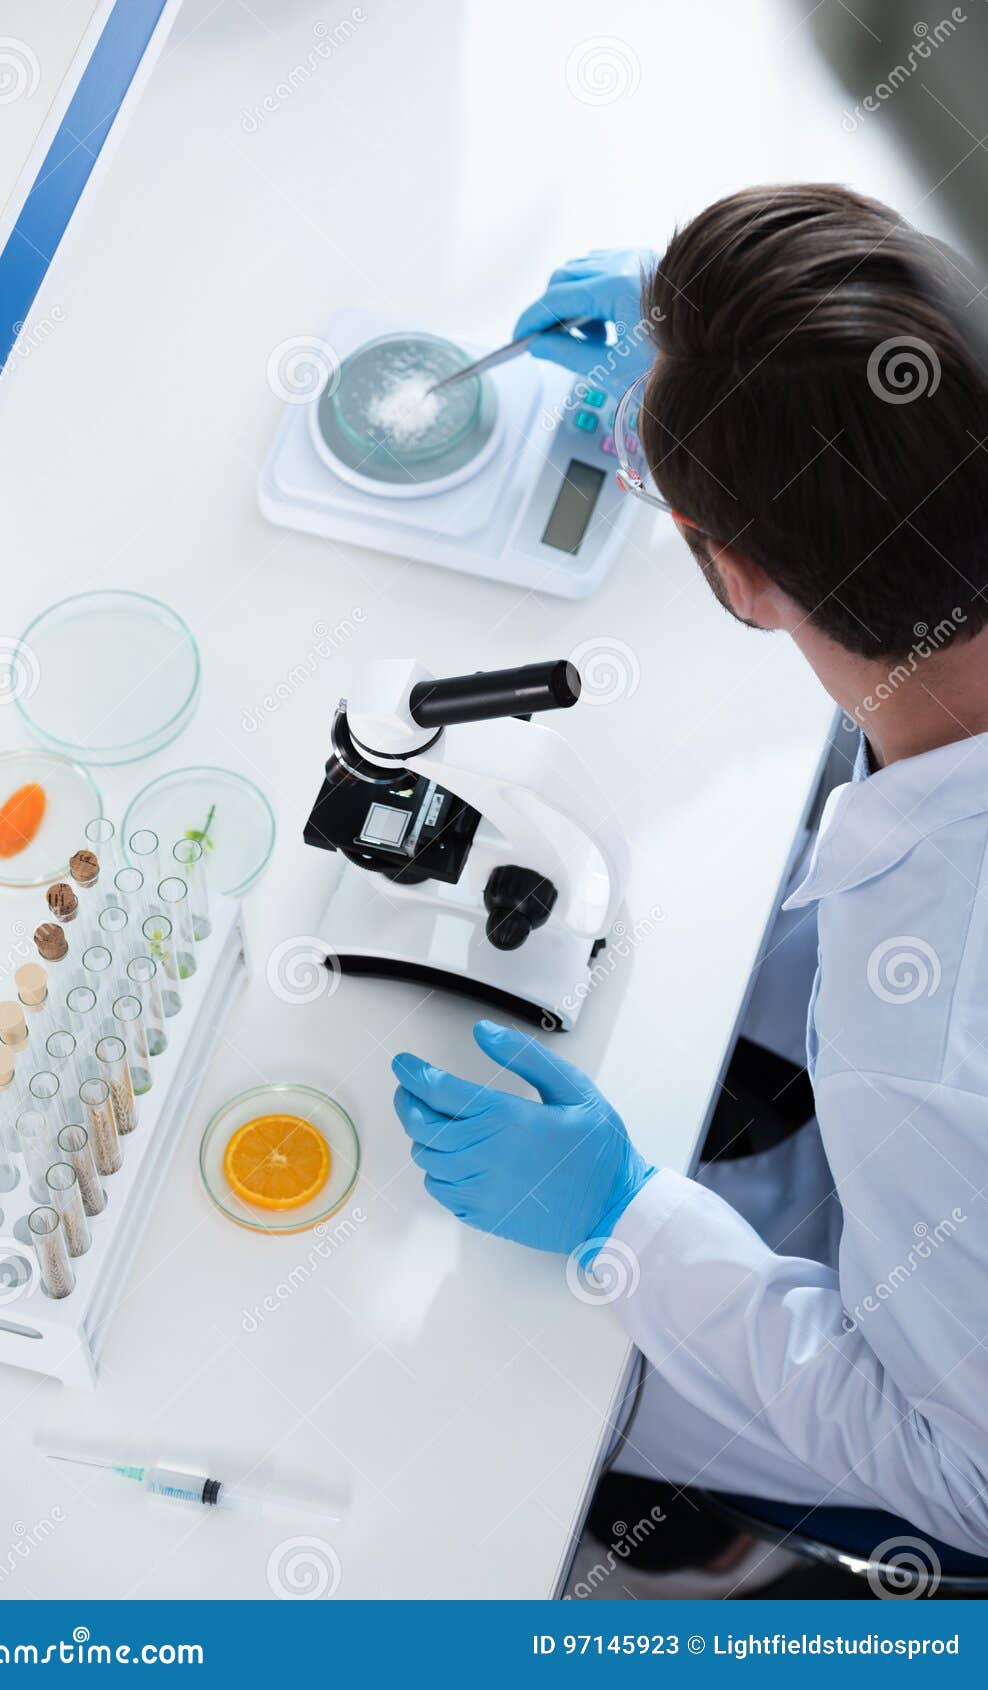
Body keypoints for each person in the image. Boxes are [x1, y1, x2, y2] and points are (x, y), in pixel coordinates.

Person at [391, 185, 988, 1560]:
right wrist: (732, 397)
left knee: (510, 1358)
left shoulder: (925, 1046)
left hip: (945, 1401)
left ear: (739, 579)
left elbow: (965, 1476)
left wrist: (627, 1219)